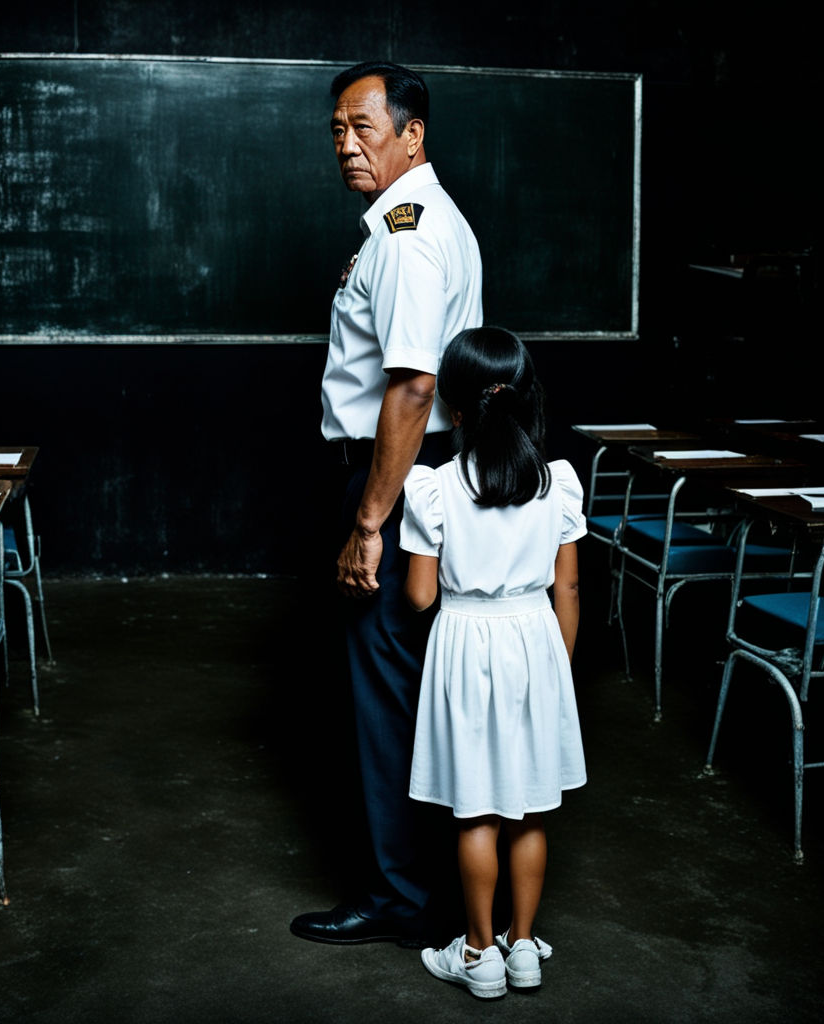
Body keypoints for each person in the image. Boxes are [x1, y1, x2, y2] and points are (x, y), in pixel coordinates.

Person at [290, 61, 483, 946]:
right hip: (415, 473)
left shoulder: (405, 232)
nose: (345, 145)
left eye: (363, 127)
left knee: (385, 691)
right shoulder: (422, 219)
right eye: (336, 129)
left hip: (395, 479)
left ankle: (402, 897)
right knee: (410, 685)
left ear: (412, 134)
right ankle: (430, 882)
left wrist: (370, 522)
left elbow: (411, 387)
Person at [399, 326, 586, 998]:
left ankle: (480, 957)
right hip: (536, 643)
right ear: (526, 397)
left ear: (452, 407)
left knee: (475, 811)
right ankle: (524, 945)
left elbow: (421, 597)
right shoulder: (557, 482)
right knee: (529, 812)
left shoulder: (434, 488)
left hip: (466, 646)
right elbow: (567, 588)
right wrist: (555, 672)